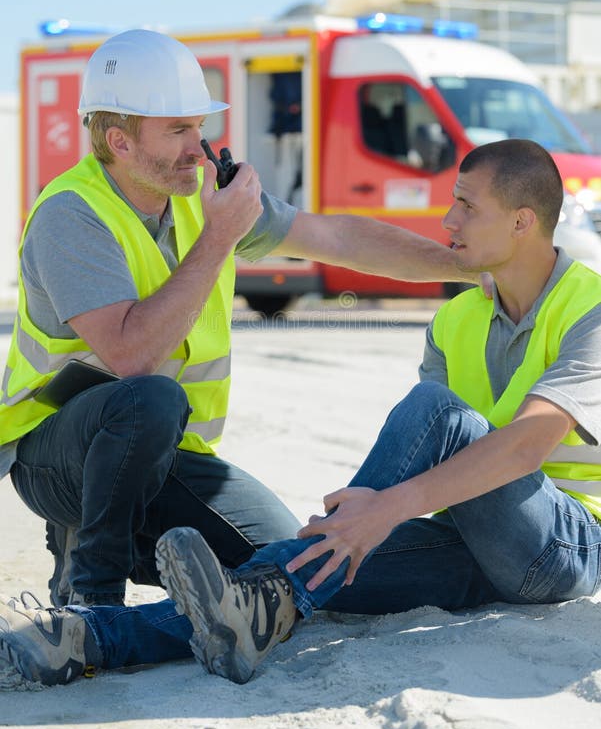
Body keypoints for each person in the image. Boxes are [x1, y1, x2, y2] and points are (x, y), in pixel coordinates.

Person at [2, 138, 601, 688]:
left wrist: (382, 511)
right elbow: (433, 463)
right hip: (470, 543)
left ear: (522, 221)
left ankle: (269, 592)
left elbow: (526, 444)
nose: (448, 221)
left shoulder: (590, 307)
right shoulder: (453, 320)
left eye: (467, 206)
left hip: (562, 546)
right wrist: (352, 533)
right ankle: (94, 638)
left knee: (432, 415)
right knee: (304, 569)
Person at [0, 28, 472, 610]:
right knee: (149, 398)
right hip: (57, 458)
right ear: (118, 141)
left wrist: (465, 266)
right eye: (178, 130)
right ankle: (92, 599)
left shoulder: (200, 194)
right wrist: (221, 235)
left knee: (290, 561)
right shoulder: (71, 213)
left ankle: (150, 550)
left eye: (199, 126)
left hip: (170, 455)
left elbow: (336, 238)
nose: (199, 148)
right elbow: (131, 357)